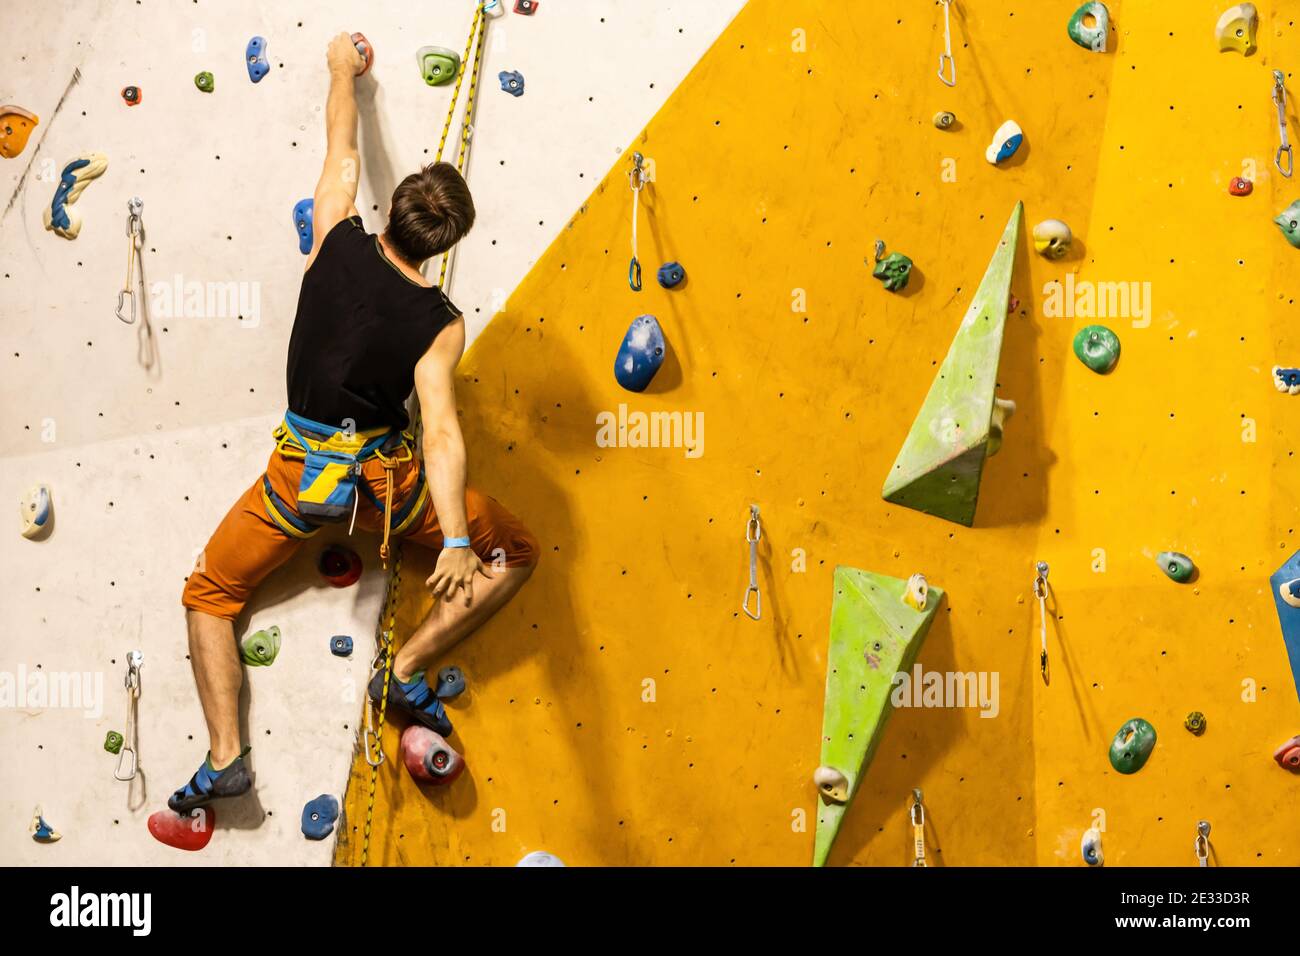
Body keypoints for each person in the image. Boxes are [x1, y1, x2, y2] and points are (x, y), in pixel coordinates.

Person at [169, 33, 538, 813]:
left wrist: (343, 69)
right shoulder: (441, 322)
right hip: (384, 491)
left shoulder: (333, 232)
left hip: (297, 481)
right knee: (518, 552)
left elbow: (340, 144)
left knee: (209, 593)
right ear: (447, 246)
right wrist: (461, 541)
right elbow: (439, 431)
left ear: (392, 205)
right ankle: (404, 670)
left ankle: (226, 756)